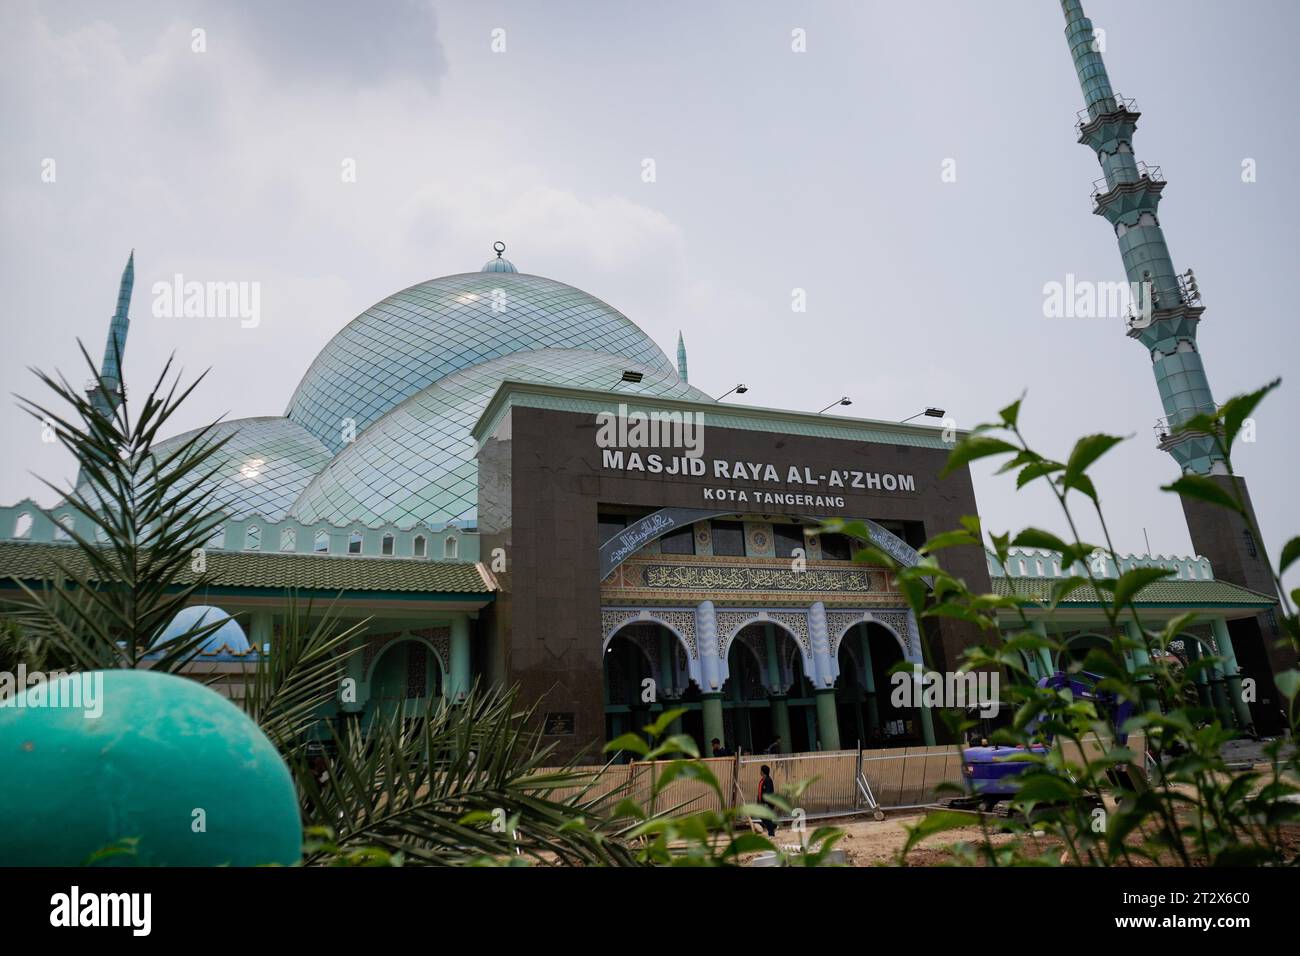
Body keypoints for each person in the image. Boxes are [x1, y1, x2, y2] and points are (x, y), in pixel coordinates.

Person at [756, 764, 777, 837]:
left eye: (761, 770)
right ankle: (774, 826)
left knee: (766, 818)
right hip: (762, 803)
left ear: (763, 772)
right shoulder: (762, 780)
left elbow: (767, 793)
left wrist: (766, 804)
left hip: (767, 804)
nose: (760, 772)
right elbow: (760, 792)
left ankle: (771, 833)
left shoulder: (768, 780)